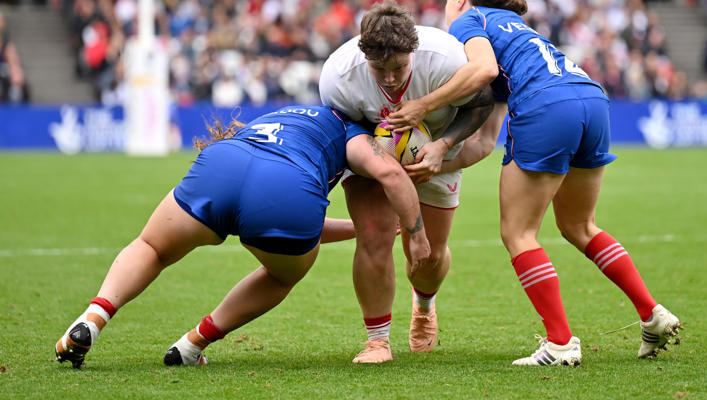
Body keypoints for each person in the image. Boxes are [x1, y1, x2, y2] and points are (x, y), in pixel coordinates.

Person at [387, 0, 681, 366]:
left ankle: (560, 343)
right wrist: (435, 161)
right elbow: (486, 140)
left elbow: (484, 71)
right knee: (580, 226)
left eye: (446, 0)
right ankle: (652, 314)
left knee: (518, 233)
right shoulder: (516, 29)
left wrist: (421, 106)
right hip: (590, 97)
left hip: (546, 104)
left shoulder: (470, 20)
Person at [55, 105, 430, 368]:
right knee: (282, 275)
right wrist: (414, 231)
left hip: (224, 163)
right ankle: (192, 344)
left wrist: (354, 229)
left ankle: (93, 317)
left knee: (152, 246)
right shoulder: (353, 130)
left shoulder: (291, 113)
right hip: (286, 190)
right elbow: (389, 175)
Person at [319, 0, 495, 364]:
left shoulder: (445, 59)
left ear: (412, 51)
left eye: (398, 67)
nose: (389, 78)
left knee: (427, 259)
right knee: (373, 234)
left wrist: (442, 146)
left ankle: (425, 304)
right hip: (373, 156)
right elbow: (343, 132)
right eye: (378, 68)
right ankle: (377, 341)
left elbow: (480, 105)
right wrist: (382, 164)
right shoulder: (338, 76)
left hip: (435, 153)